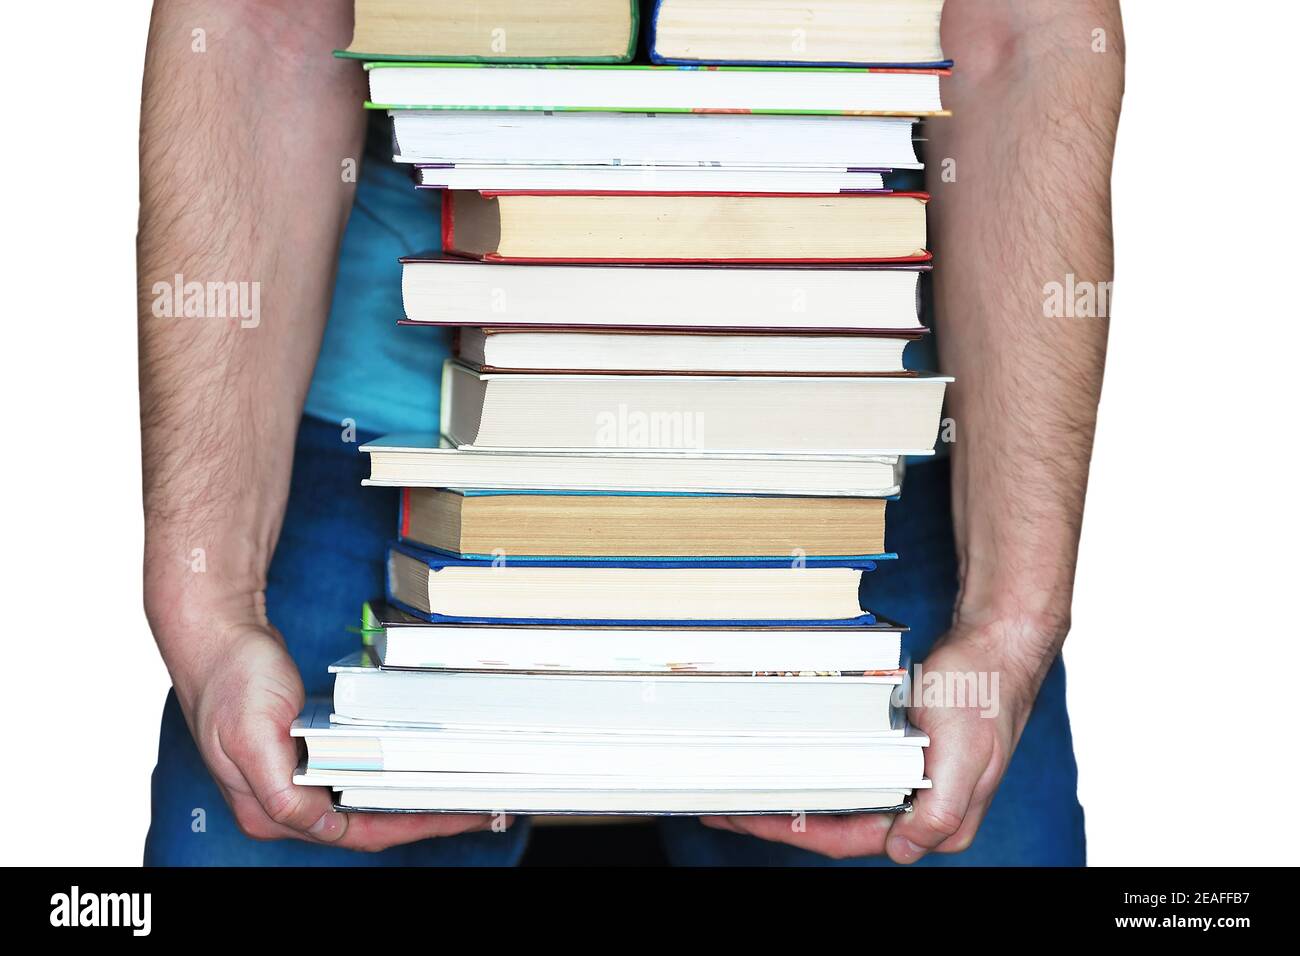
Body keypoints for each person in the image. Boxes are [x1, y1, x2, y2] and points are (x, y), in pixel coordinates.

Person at [138, 0, 1124, 865]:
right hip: (379, 477)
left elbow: (1019, 35)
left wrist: (1008, 621)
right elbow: (259, 27)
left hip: (854, 478)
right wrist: (209, 601)